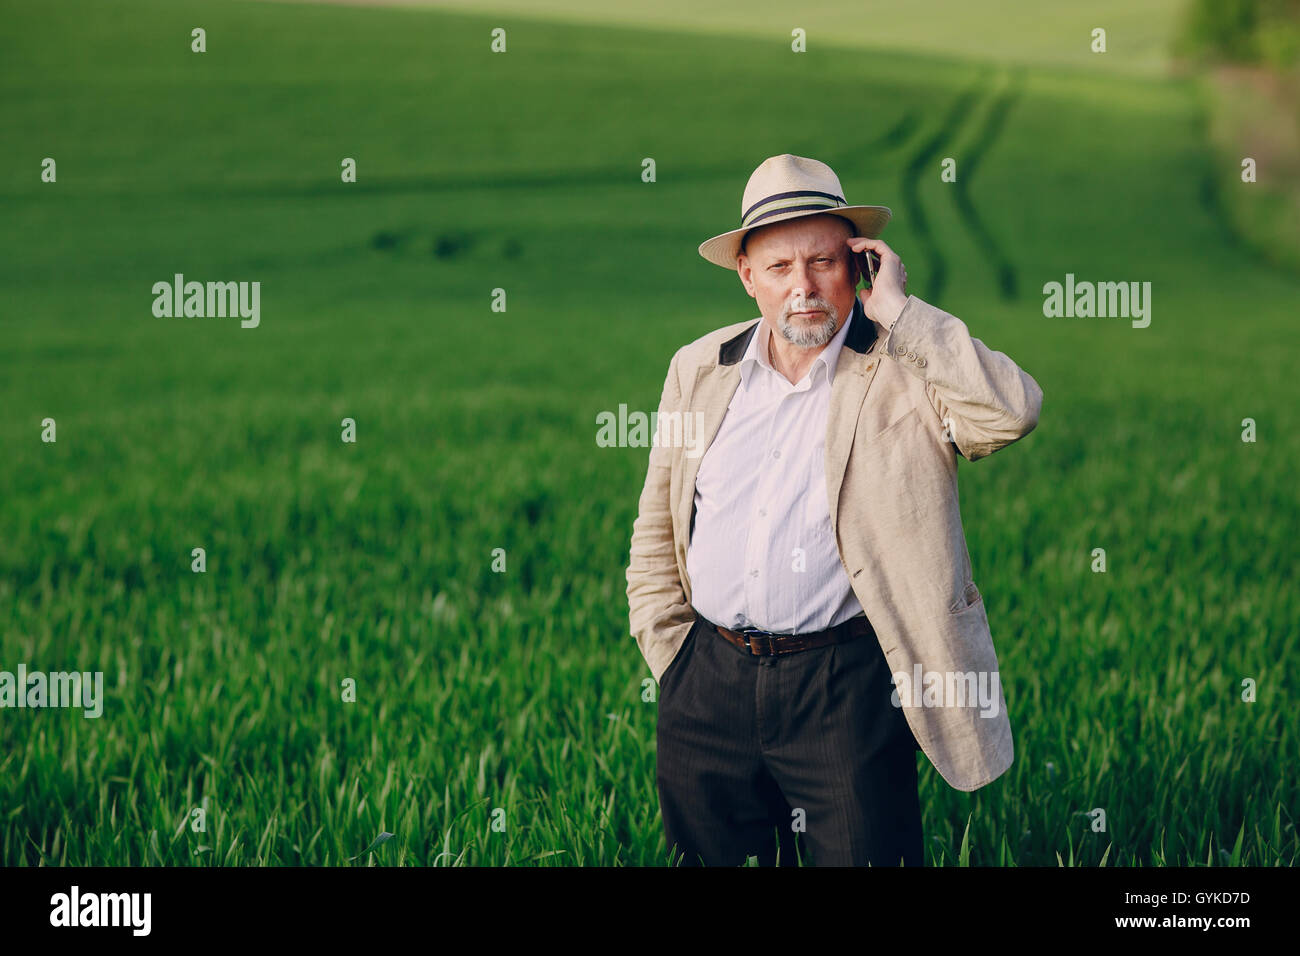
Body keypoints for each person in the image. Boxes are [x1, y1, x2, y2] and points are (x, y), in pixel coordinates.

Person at [625, 153, 1044, 866]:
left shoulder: (902, 364)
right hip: (708, 681)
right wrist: (675, 658)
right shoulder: (699, 366)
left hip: (844, 687)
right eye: (781, 268)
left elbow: (1010, 412)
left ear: (859, 267)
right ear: (747, 276)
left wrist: (904, 314)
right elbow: (657, 524)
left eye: (824, 262)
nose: (804, 288)